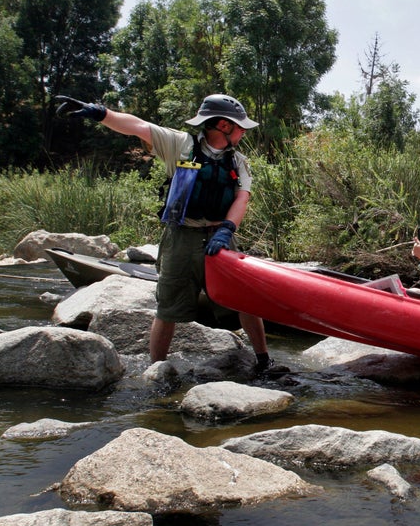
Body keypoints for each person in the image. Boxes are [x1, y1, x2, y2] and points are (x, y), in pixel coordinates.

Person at [55, 93, 283, 375]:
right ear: (223, 125)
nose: (244, 132)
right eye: (240, 126)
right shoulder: (180, 144)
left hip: (221, 239)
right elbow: (138, 126)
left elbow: (242, 198)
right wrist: (101, 113)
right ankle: (157, 370)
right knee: (168, 307)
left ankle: (263, 360)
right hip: (180, 237)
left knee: (245, 300)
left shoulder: (238, 161)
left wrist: (226, 230)